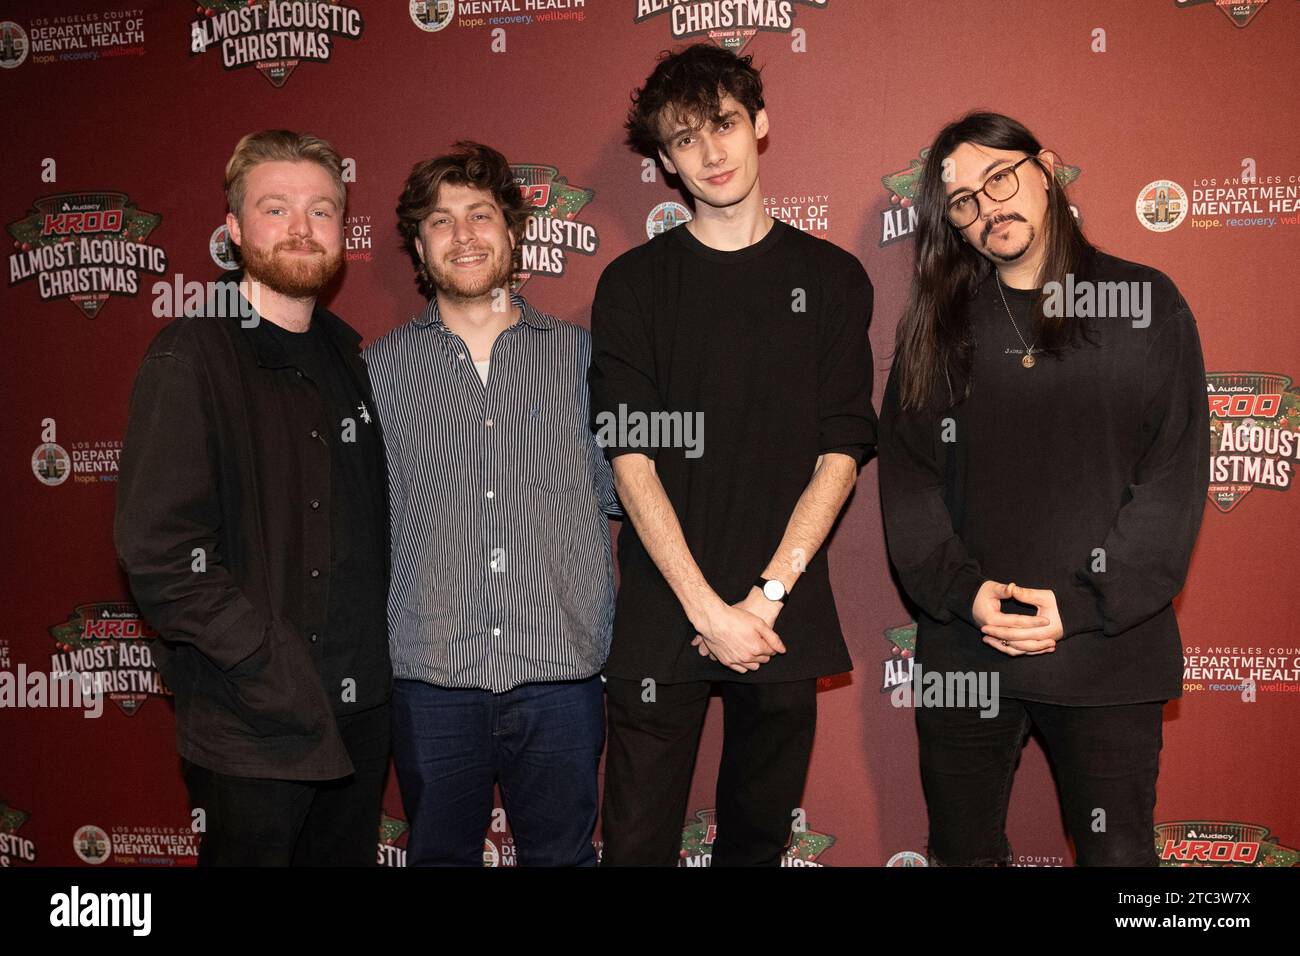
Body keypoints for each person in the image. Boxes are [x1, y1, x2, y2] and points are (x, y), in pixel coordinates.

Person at [878, 111, 1210, 866]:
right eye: (964, 200)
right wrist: (965, 594)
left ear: (1048, 170)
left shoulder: (1146, 305)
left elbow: (1172, 482)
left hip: (1108, 653)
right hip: (969, 648)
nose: (989, 204)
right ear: (954, 227)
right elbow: (908, 481)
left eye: (1000, 176)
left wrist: (1082, 605)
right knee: (963, 853)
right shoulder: (936, 327)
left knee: (1119, 860)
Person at [590, 44, 876, 866]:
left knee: (755, 844)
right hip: (662, 613)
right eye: (685, 139)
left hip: (781, 619)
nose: (710, 153)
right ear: (666, 162)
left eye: (722, 125)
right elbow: (631, 457)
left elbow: (842, 451)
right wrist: (707, 610)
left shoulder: (831, 279)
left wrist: (766, 596)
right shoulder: (633, 285)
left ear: (760, 125)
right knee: (635, 847)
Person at [114, 130, 391, 866]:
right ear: (234, 229)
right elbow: (161, 555)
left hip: (358, 715)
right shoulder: (192, 355)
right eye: (276, 209)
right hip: (253, 722)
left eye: (322, 211)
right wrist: (268, 663)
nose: (302, 228)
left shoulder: (348, 355)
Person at [364, 142, 620, 866]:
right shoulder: (375, 373)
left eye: (481, 215)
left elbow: (631, 499)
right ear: (418, 246)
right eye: (441, 222)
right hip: (431, 679)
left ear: (513, 233)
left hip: (561, 674)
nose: (465, 235)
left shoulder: (585, 360)